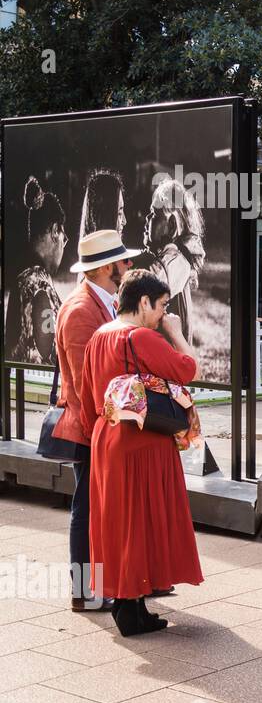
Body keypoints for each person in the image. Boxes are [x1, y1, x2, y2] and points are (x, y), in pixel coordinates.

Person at [77, 269, 203, 637]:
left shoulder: (99, 336)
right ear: (144, 302)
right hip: (141, 439)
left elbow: (88, 398)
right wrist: (177, 333)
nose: (164, 314)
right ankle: (132, 608)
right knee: (141, 521)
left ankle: (129, 604)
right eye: (162, 306)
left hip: (107, 435)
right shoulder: (140, 337)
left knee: (115, 522)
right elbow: (187, 368)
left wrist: (98, 432)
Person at [54, 230, 140, 612]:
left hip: (98, 427)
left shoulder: (101, 302)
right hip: (90, 429)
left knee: (94, 509)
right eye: (124, 261)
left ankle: (104, 587)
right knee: (85, 511)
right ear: (107, 267)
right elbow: (84, 383)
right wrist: (104, 433)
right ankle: (84, 592)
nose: (130, 265)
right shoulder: (80, 310)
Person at [7, 178, 67, 365]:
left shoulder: (24, 277)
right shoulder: (38, 285)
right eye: (64, 239)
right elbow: (44, 360)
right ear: (55, 231)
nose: (63, 248)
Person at [143, 176, 206, 342]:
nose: (147, 219)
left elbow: (144, 285)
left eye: (154, 214)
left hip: (171, 358)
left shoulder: (176, 261)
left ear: (171, 226)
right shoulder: (170, 257)